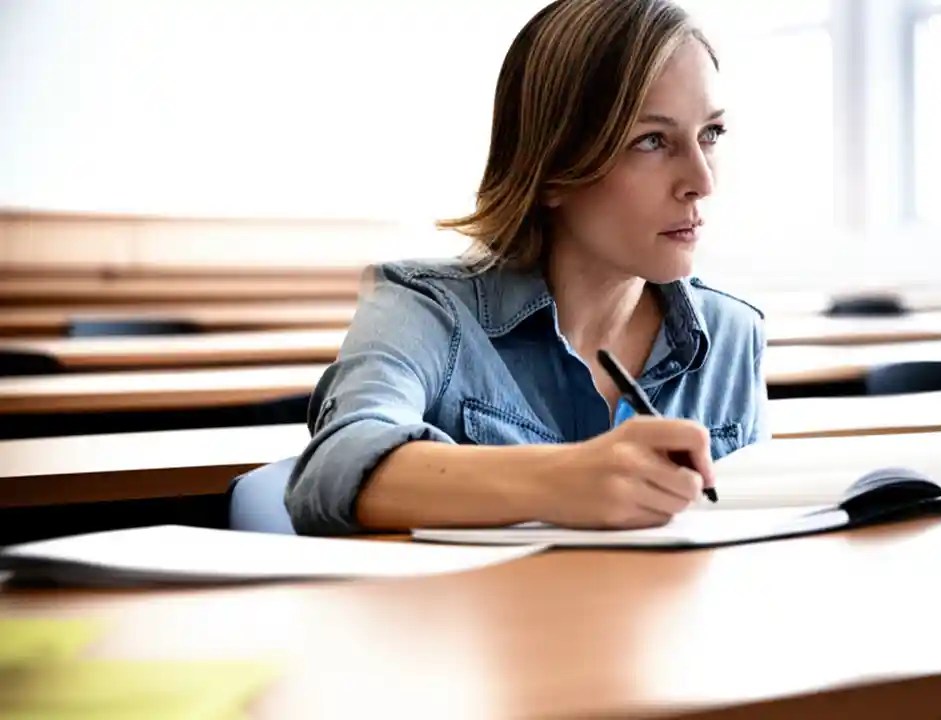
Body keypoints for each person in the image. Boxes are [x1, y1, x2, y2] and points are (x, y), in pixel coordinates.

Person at [286, 0, 768, 535]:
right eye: (651, 141)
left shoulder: (733, 334)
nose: (702, 181)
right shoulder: (422, 310)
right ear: (554, 169)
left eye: (711, 134)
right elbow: (334, 468)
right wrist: (566, 480)